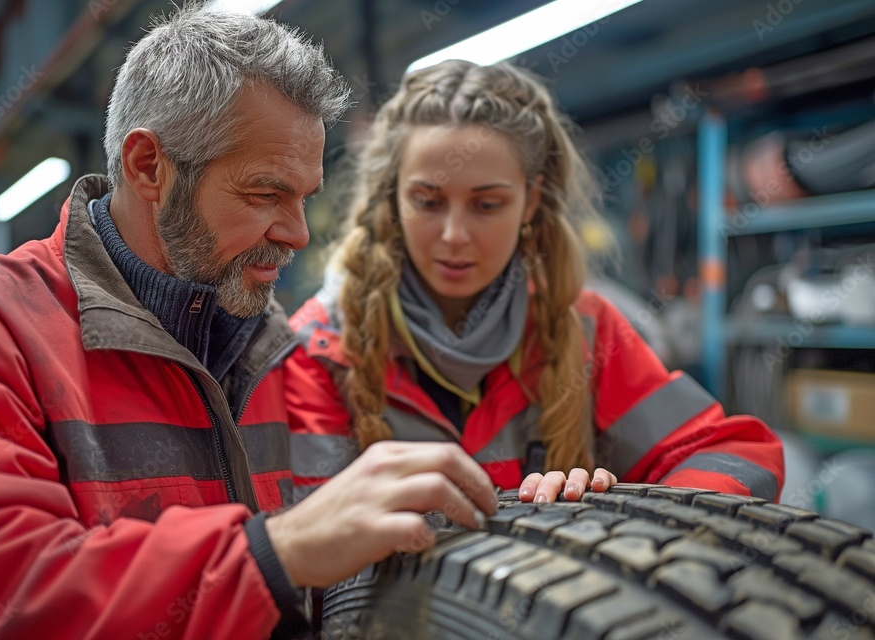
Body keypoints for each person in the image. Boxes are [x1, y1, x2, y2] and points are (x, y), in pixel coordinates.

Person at [0, 8, 498, 639]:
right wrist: (267, 557)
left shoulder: (272, 349)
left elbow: (346, 553)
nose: (300, 234)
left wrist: (529, 511)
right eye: (266, 194)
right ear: (148, 167)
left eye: (304, 197)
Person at [285, 60, 784, 506]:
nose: (454, 236)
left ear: (531, 199)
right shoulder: (320, 349)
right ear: (391, 197)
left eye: (487, 205)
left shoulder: (587, 328)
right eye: (428, 201)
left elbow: (737, 455)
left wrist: (628, 524)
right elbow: (315, 561)